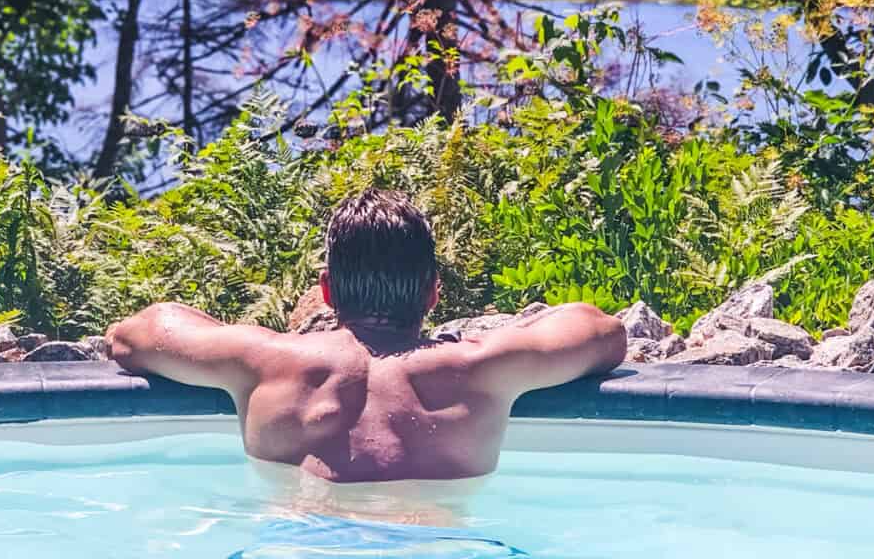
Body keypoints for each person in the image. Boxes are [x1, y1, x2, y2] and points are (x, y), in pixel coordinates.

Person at [106, 189, 626, 484]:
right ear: (433, 294)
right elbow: (603, 333)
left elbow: (136, 335)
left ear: (326, 291)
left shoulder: (263, 360)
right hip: (437, 543)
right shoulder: (485, 369)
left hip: (300, 542)